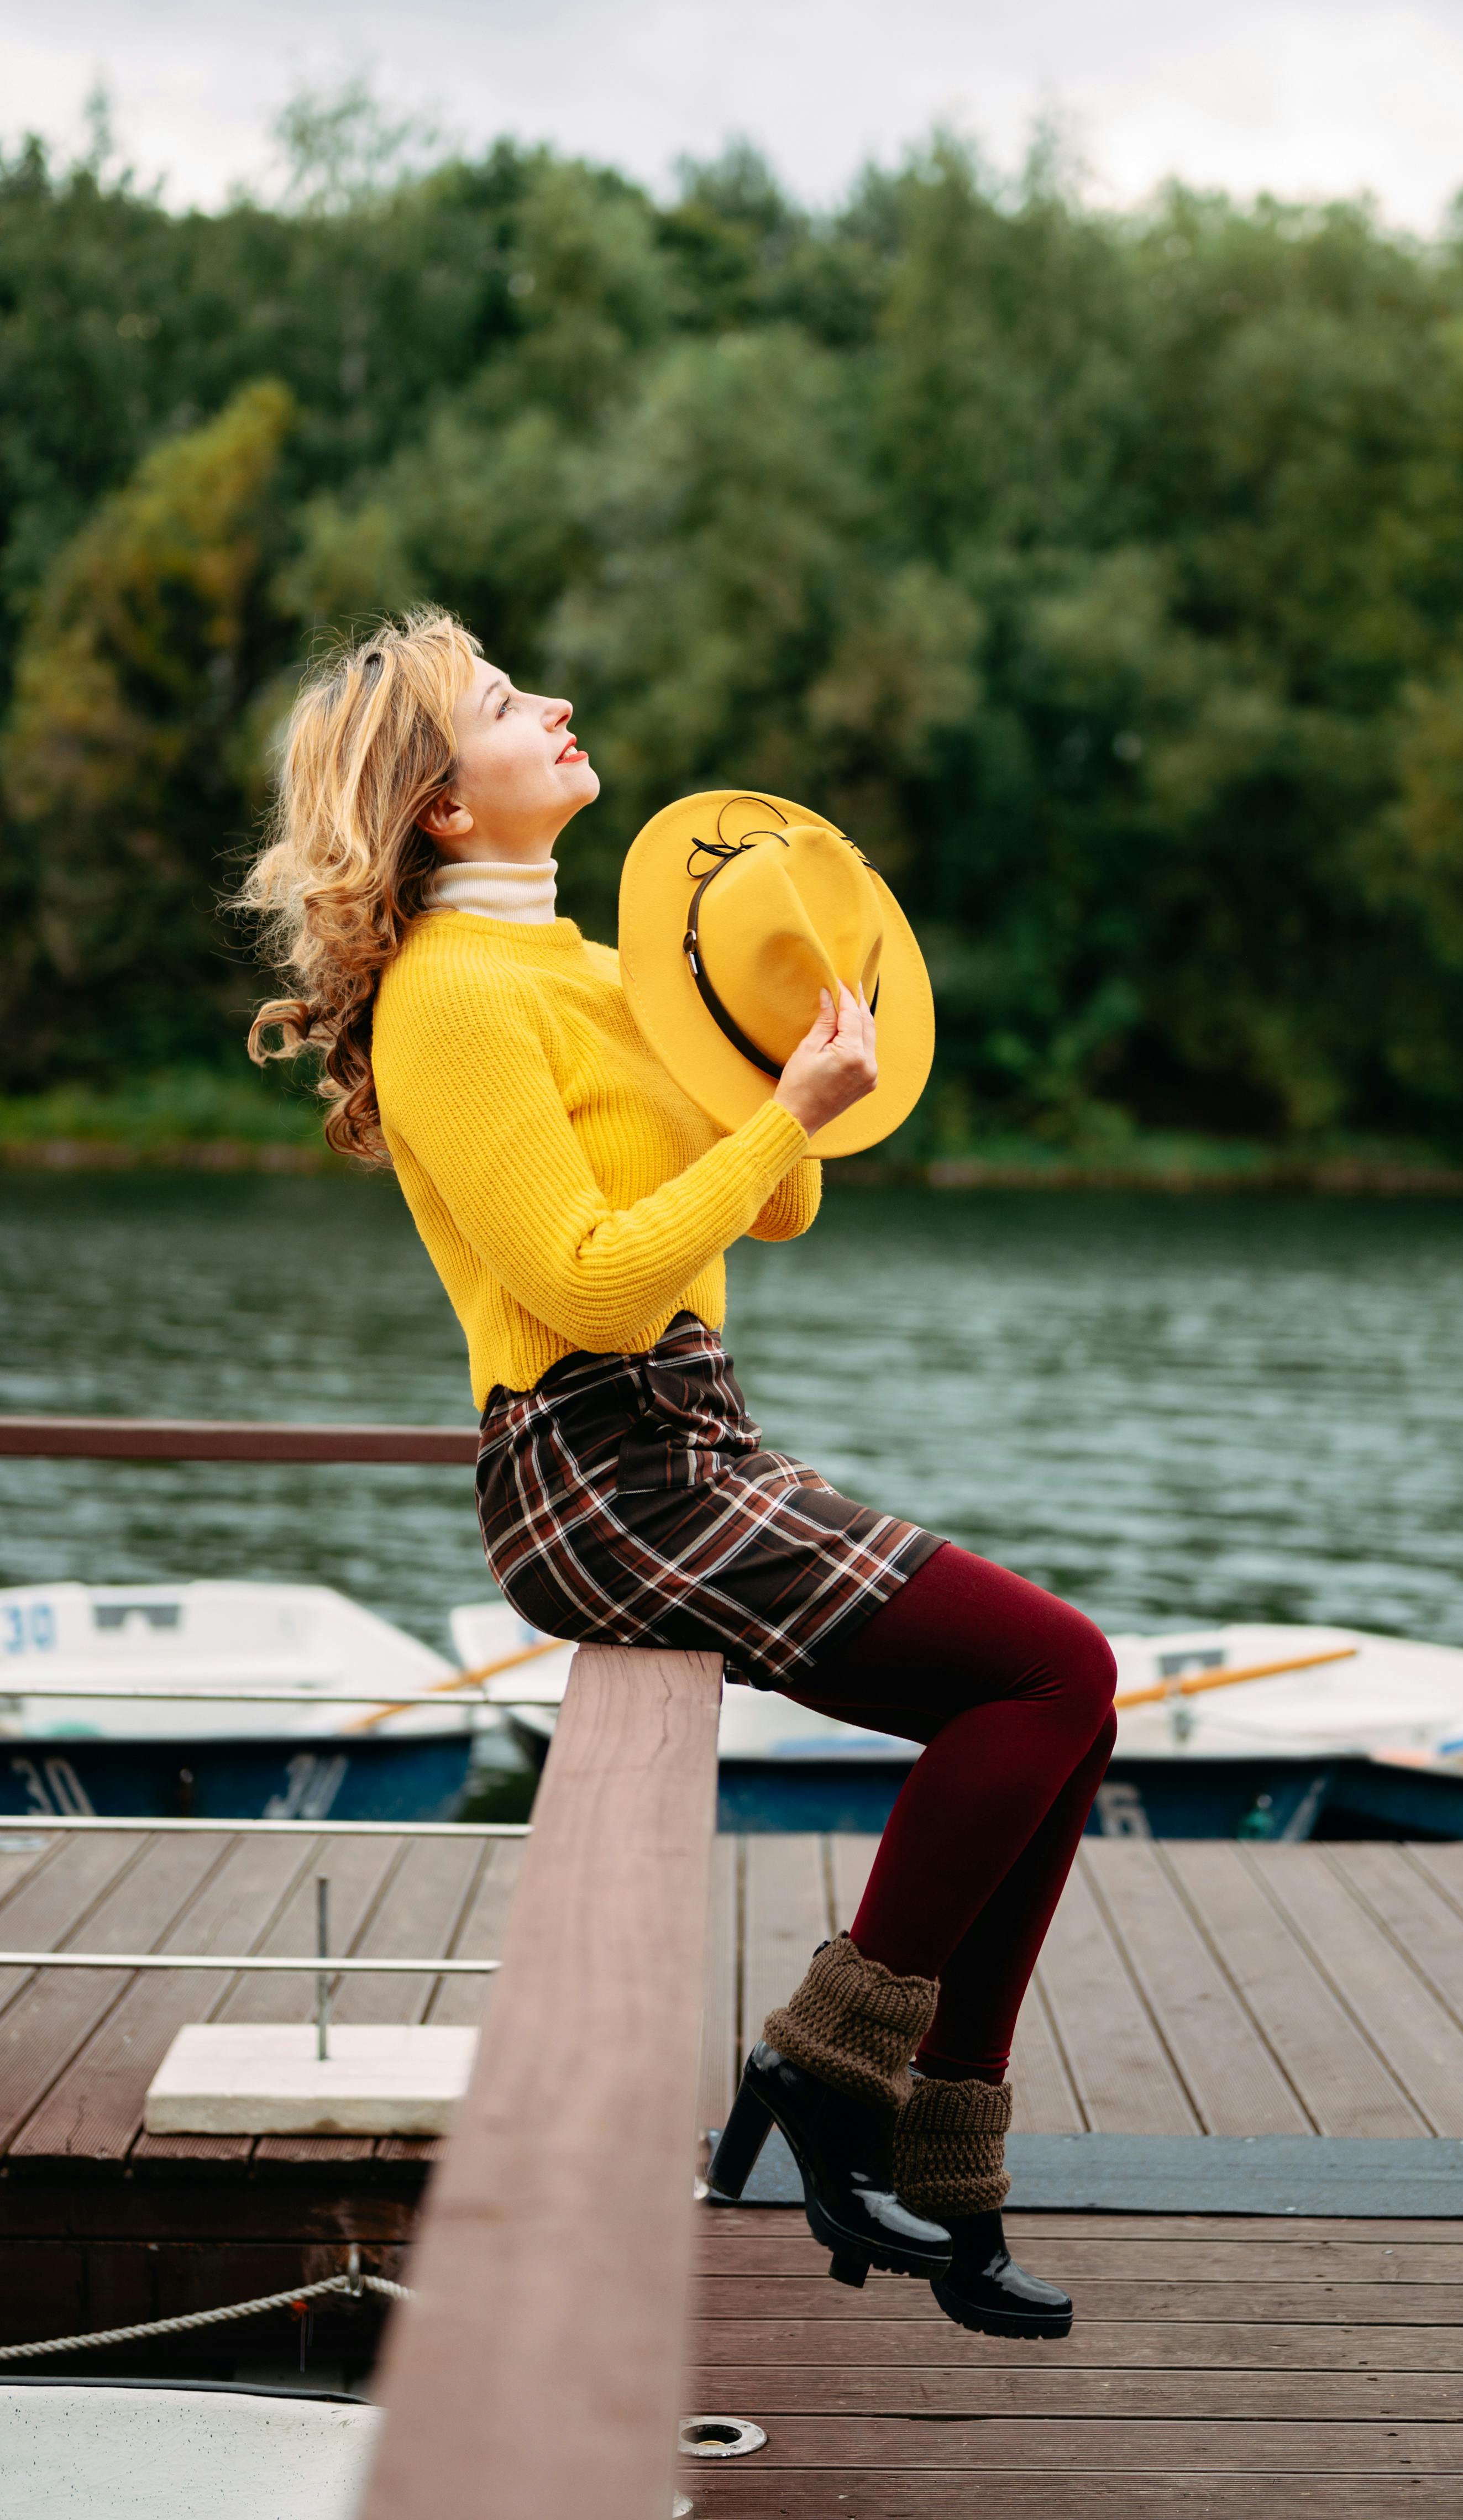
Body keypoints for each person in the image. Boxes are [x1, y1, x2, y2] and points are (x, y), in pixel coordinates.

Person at [243, 609, 1116, 2340]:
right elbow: (577, 1281)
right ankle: (822, 2072)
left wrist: (792, 1076)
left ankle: (942, 2165)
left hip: (690, 1434)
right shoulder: (452, 999)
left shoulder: (588, 968)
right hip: (597, 1467)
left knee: (1061, 1706)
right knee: (1054, 1669)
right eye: (503, 702)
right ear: (437, 805)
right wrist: (779, 1123)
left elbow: (770, 1205)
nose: (554, 703)